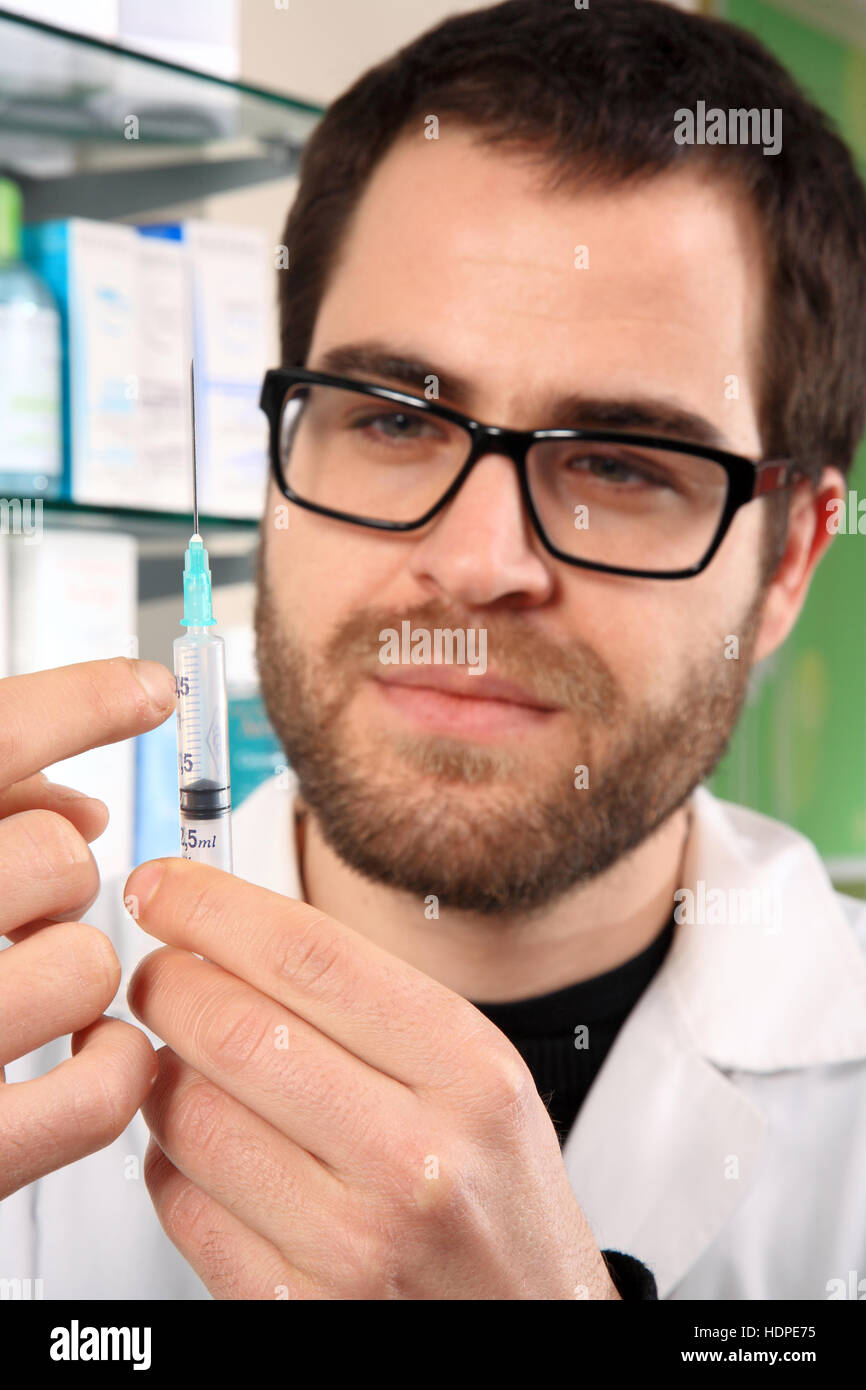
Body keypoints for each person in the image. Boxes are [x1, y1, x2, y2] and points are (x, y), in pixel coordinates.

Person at [2, 0, 866, 1302]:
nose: (473, 564)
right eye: (394, 418)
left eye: (622, 462)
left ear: (790, 555)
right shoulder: (35, 1041)